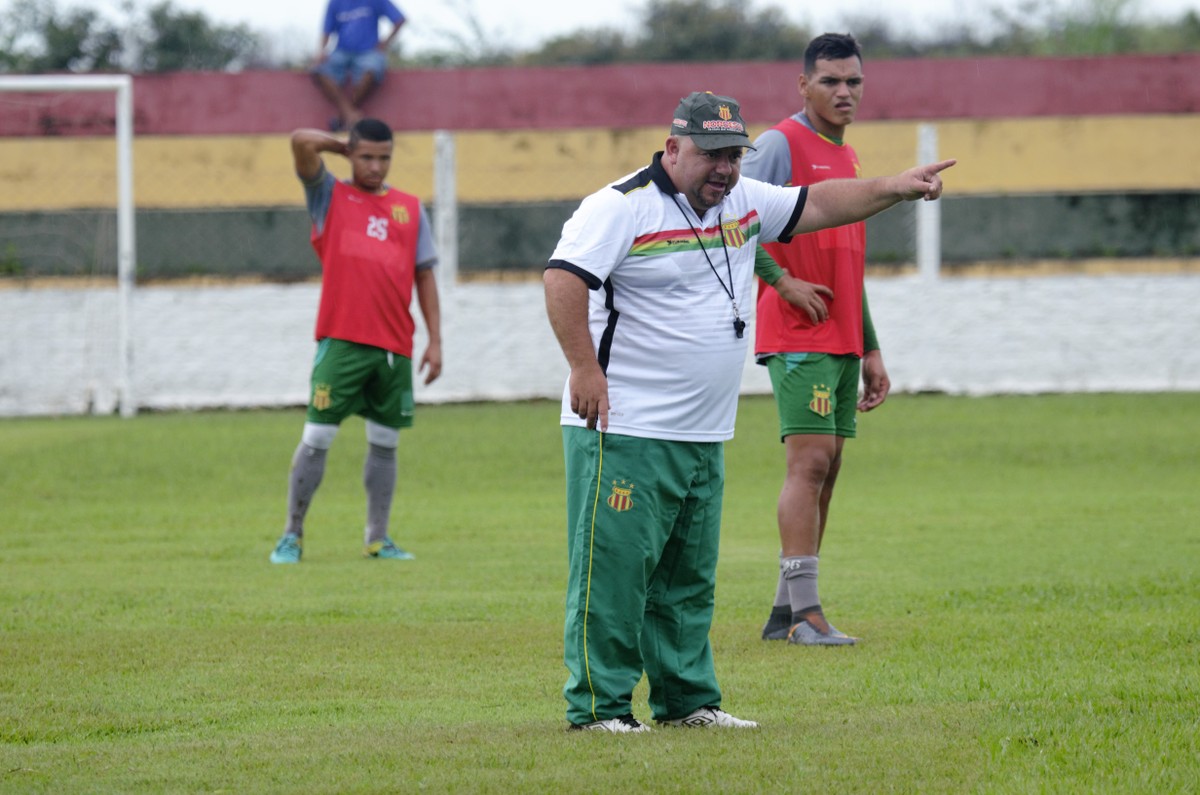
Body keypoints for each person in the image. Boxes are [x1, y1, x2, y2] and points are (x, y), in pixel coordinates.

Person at [544, 90, 952, 732]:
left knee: (687, 579)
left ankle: (687, 702)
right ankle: (599, 708)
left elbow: (821, 203)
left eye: (734, 156)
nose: (725, 169)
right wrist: (583, 367)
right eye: (712, 155)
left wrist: (894, 187)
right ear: (672, 147)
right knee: (614, 573)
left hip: (704, 431)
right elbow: (563, 278)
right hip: (624, 428)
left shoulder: (741, 201)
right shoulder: (620, 206)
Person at [741, 33, 886, 647]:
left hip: (842, 336)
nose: (843, 91)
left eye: (853, 81)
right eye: (830, 81)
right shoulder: (778, 145)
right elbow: (732, 223)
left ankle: (786, 611)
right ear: (803, 85)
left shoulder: (847, 158)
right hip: (796, 329)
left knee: (828, 468)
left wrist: (871, 346)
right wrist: (782, 281)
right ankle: (807, 615)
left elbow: (849, 262)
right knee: (810, 464)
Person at [268, 117, 442, 565]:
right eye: (366, 156)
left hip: (394, 347)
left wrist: (435, 340)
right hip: (341, 341)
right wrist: (338, 146)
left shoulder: (409, 209)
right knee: (318, 435)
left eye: (384, 158)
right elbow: (300, 141)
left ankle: (377, 539)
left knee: (385, 441)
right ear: (351, 154)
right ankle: (291, 535)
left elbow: (424, 276)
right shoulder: (328, 196)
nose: (376, 166)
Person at [311, 0, 407, 131]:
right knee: (319, 69)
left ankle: (343, 116)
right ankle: (350, 114)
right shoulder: (335, 3)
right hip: (341, 51)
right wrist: (322, 51)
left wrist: (385, 43)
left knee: (372, 69)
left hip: (368, 51)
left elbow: (400, 19)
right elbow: (326, 30)